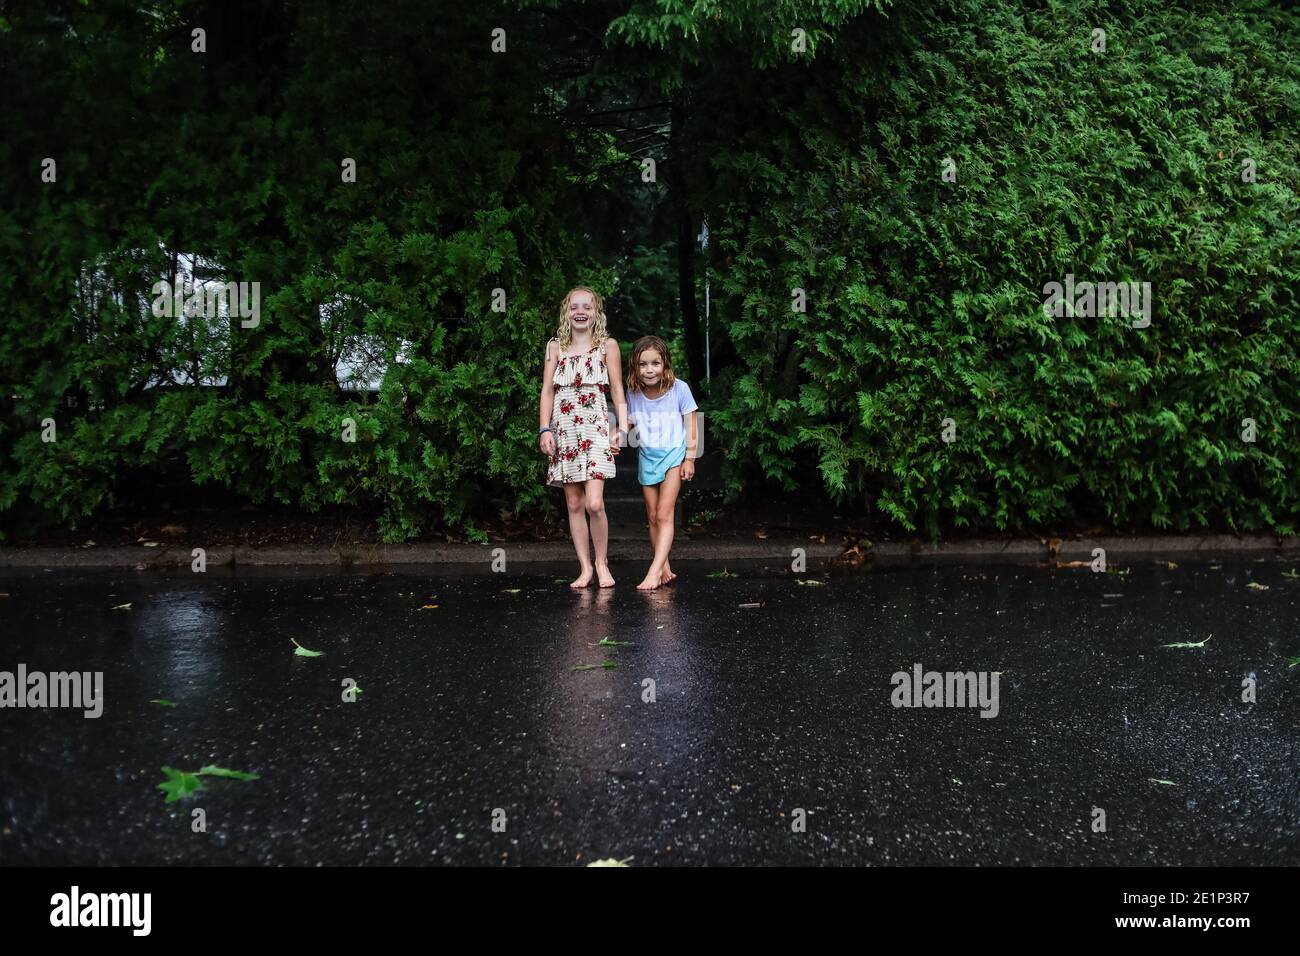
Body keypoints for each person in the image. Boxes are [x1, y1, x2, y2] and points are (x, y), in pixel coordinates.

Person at [538, 287, 629, 588]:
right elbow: (547, 391)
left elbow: (617, 390)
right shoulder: (555, 347)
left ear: (596, 312)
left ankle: (602, 563)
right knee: (574, 504)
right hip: (564, 428)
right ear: (566, 311)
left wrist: (623, 428)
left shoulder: (608, 346)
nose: (580, 312)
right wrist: (544, 429)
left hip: (596, 428)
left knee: (593, 503)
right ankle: (585, 568)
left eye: (587, 307)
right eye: (574, 307)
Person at [625, 335, 698, 591]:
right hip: (647, 455)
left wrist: (690, 458)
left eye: (655, 363)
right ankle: (663, 564)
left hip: (674, 455)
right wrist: (618, 434)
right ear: (635, 366)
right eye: (643, 364)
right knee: (653, 516)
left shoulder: (680, 388)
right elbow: (630, 422)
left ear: (665, 364)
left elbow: (692, 424)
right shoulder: (633, 391)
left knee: (665, 514)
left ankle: (654, 571)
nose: (649, 370)